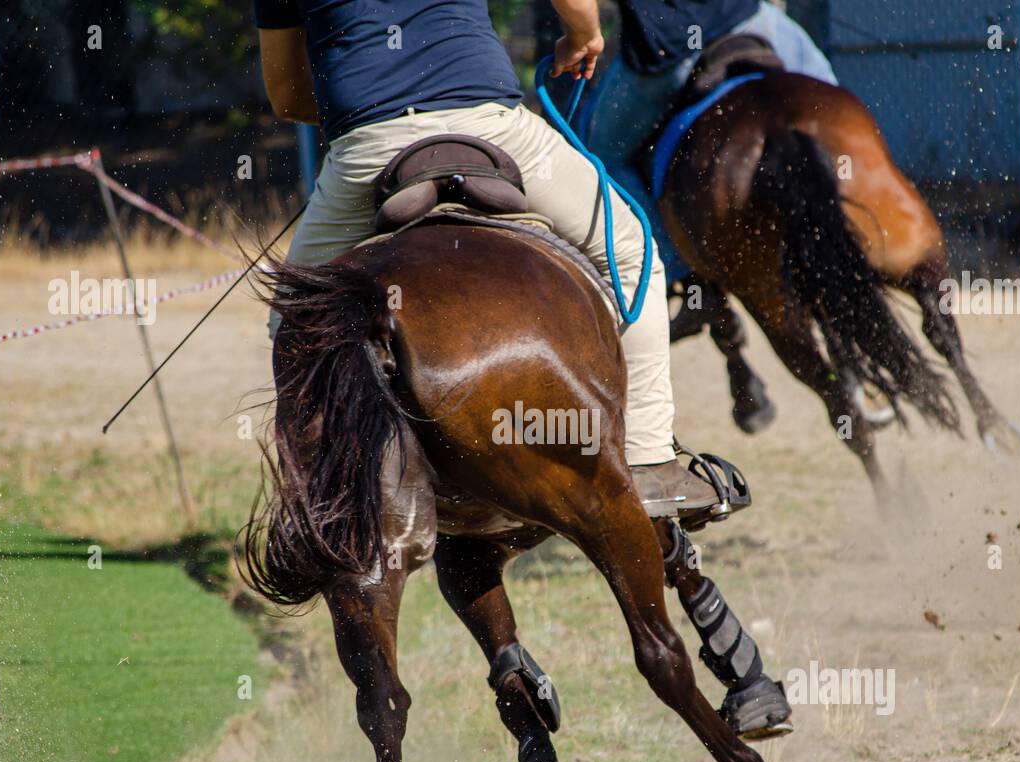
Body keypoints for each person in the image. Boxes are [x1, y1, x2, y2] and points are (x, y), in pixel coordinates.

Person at [255, 0, 716, 515]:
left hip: (371, 146)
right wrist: (583, 34)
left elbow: (287, 95)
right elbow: (576, 6)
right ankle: (650, 460)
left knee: (296, 312)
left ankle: (316, 492)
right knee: (632, 250)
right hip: (491, 126)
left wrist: (368, 101)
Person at [584, 0, 837, 283]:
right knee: (833, 105)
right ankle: (853, 227)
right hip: (750, 19)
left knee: (602, 161)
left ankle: (682, 276)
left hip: (671, 44)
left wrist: (582, 37)